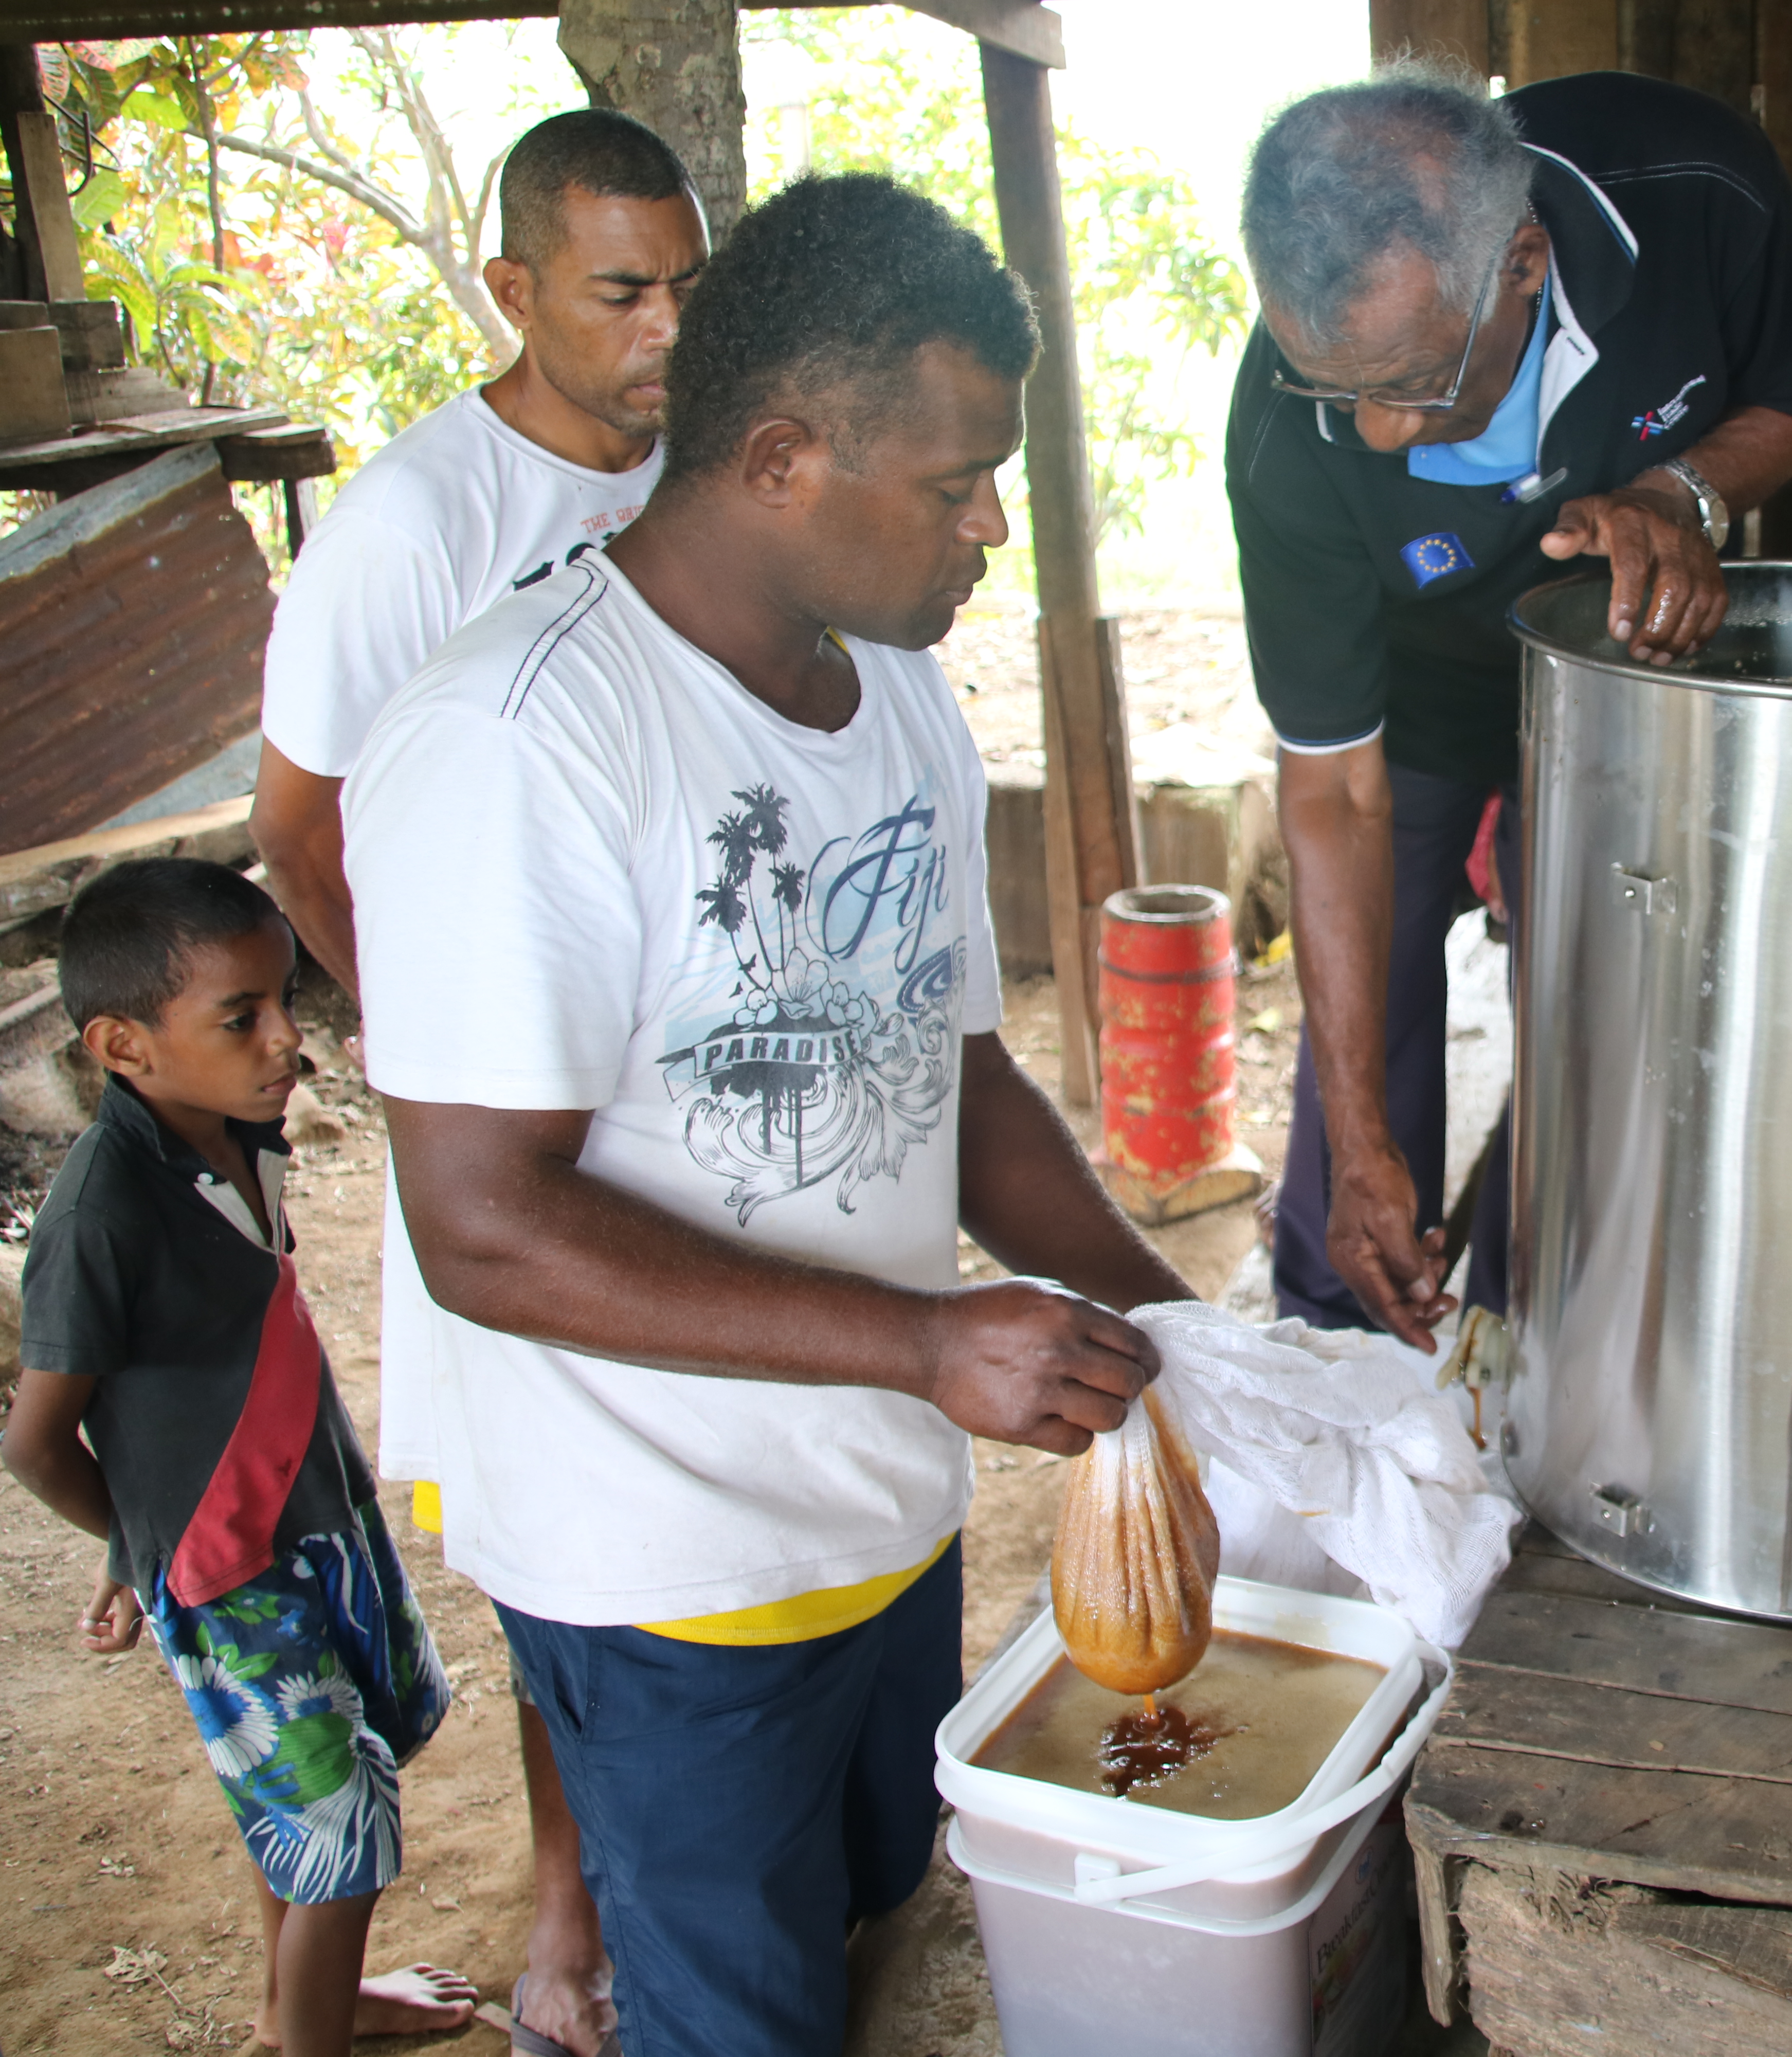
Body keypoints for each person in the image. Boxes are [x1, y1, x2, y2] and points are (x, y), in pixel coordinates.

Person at [342, 172, 1192, 2056]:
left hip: (883, 1500)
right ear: (784, 458)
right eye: (958, 483)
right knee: (737, 2012)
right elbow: (483, 1224)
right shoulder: (521, 741)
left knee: (873, 1897)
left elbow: (954, 1073)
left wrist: (1172, 1317)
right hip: (670, 1564)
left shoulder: (895, 694)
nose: (991, 526)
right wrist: (924, 1342)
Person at [246, 105, 707, 2057]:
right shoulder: (415, 526)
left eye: (690, 286)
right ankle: (564, 1920)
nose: (669, 328)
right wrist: (454, 1060)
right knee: (552, 1518)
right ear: (513, 288)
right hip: (514, 1130)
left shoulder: (706, 465)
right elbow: (299, 834)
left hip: (686, 1099)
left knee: (693, 1481)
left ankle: (708, 1857)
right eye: (622, 293)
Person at [1229, 61, 1792, 1346]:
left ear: (1523, 263)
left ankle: (1527, 1328)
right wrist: (1361, 1139)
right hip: (1413, 697)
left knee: (1606, 998)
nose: (1378, 433)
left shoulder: (1696, 187)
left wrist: (1680, 495)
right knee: (1366, 1012)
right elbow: (1334, 789)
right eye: (1335, 387)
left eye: (1411, 381)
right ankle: (1335, 1336)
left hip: (1628, 670)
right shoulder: (1290, 429)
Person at [2, 860, 477, 2057]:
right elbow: (37, 1440)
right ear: (124, 1046)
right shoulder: (99, 1216)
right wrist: (138, 1547)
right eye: (241, 1017)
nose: (285, 1039)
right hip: (230, 1574)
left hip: (316, 1509)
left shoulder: (234, 1129)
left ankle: (305, 2005)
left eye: (285, 1001)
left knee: (318, 1794)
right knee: (340, 1842)